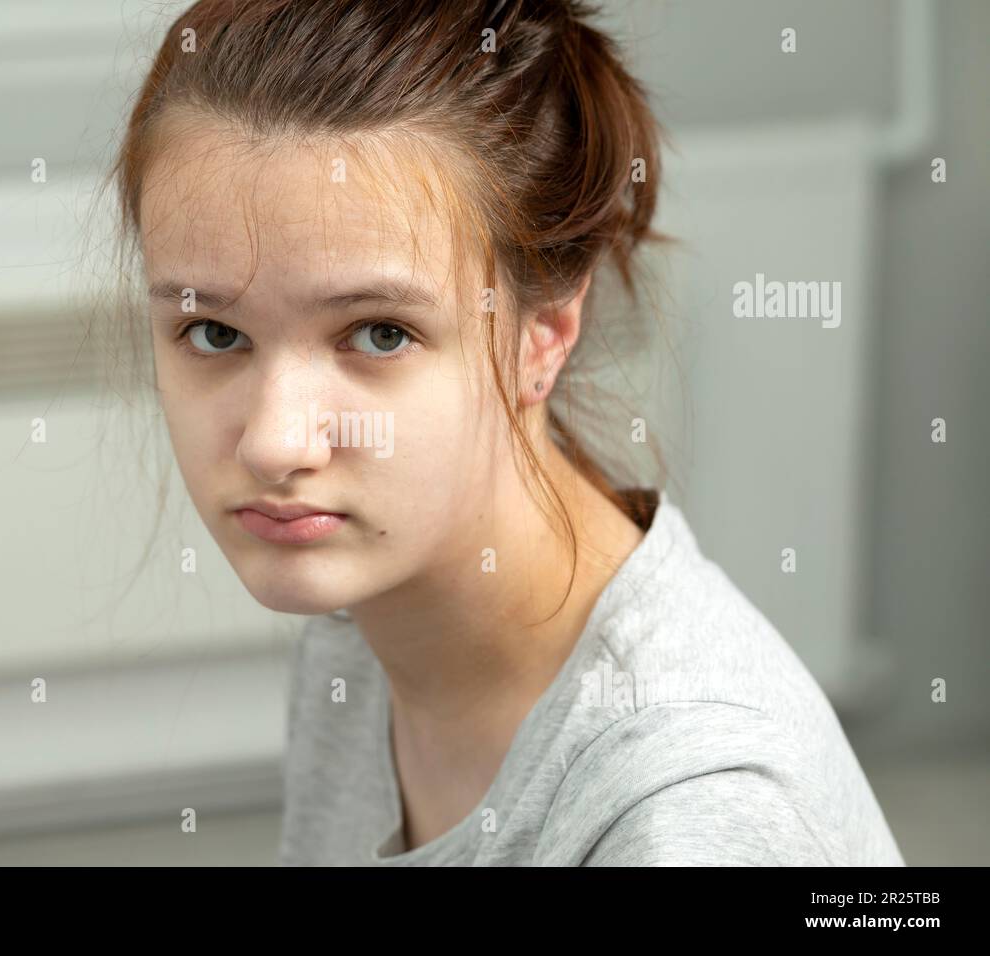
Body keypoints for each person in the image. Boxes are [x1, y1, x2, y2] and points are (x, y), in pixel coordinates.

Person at [108, 0, 906, 865]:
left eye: (381, 334)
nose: (274, 444)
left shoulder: (688, 816)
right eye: (215, 334)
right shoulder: (355, 631)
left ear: (545, 334)